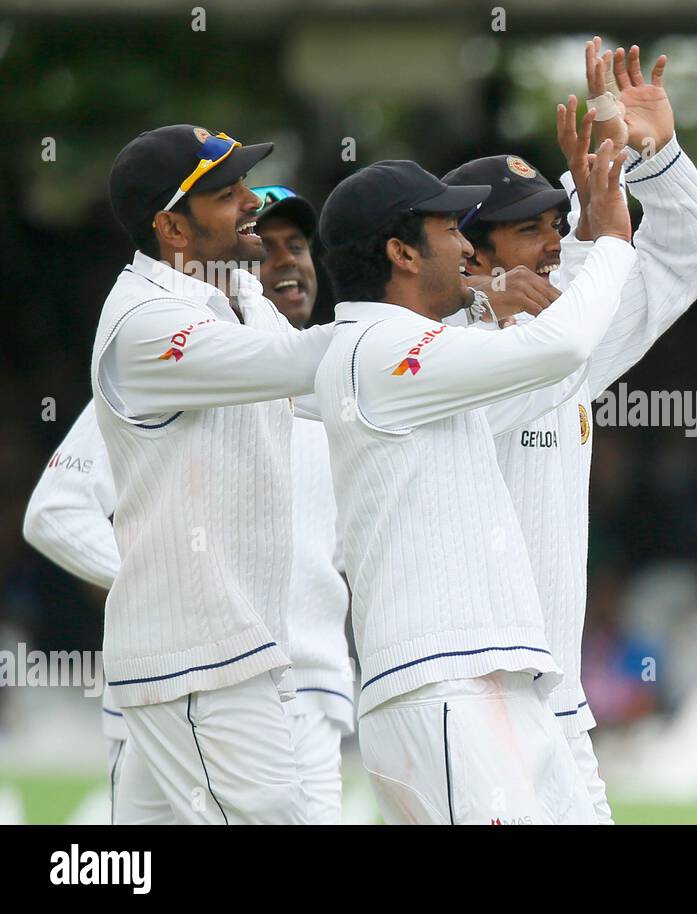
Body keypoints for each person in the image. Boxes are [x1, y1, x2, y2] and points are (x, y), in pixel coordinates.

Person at [440, 38, 697, 823]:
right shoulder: (437, 355)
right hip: (470, 699)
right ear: (470, 250)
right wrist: (603, 188)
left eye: (557, 222)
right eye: (529, 230)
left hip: (557, 703)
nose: (555, 245)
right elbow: (548, 350)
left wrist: (650, 157)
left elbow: (688, 255)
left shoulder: (562, 331)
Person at [315, 140, 635, 825]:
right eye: (449, 231)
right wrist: (609, 242)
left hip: (495, 679)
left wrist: (502, 288)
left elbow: (532, 348)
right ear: (402, 255)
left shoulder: (414, 346)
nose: (467, 248)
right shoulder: (386, 351)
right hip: (439, 685)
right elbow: (560, 346)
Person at [26, 185, 355, 824]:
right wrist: (170, 586)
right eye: (268, 248)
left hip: (301, 682)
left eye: (298, 246)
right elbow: (55, 510)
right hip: (190, 675)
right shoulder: (167, 358)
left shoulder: (331, 377)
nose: (287, 262)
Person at [92, 126, 336, 824]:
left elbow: (331, 394)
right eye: (228, 195)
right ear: (171, 225)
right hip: (199, 662)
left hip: (223, 655)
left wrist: (476, 335)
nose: (254, 201)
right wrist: (408, 315)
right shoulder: (144, 321)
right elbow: (303, 366)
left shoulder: (244, 298)